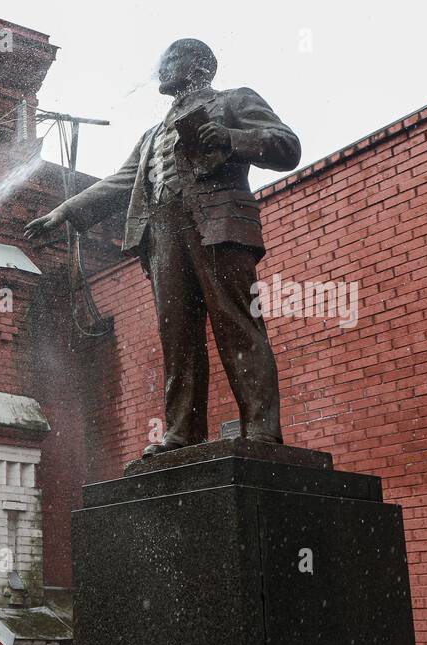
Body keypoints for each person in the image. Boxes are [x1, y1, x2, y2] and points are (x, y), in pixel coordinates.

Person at [26, 38, 301, 457]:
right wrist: (65, 211)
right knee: (178, 338)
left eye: (171, 59)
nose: (162, 67)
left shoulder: (234, 100)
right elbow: (121, 181)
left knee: (237, 325)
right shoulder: (152, 134)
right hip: (163, 236)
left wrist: (229, 138)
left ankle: (261, 430)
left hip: (217, 227)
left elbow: (287, 146)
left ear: (198, 65)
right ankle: (183, 433)